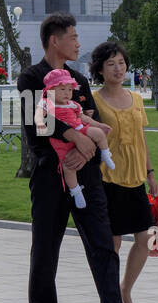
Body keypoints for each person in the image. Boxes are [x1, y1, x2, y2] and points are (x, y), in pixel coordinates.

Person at [18, 12, 146, 303]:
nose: (78, 43)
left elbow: (89, 117)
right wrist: (73, 137)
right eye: (73, 37)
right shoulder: (32, 79)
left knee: (102, 240)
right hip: (50, 174)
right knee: (47, 243)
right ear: (54, 41)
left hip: (87, 173)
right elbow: (39, 126)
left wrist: (81, 147)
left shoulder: (79, 80)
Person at [91, 39, 158, 303]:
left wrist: (151, 173)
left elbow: (140, 139)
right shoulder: (94, 100)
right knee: (113, 244)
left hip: (136, 179)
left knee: (147, 239)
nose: (118, 68)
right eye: (111, 64)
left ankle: (125, 291)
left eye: (121, 62)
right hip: (109, 179)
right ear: (100, 70)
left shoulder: (137, 98)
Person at [37, 68, 116, 209]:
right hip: (62, 141)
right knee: (68, 167)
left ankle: (106, 154)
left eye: (69, 89)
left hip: (80, 129)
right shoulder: (46, 103)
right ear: (50, 90)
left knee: (98, 133)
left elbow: (84, 118)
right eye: (62, 89)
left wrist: (99, 125)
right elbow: (40, 119)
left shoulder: (73, 105)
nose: (67, 93)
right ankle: (76, 191)